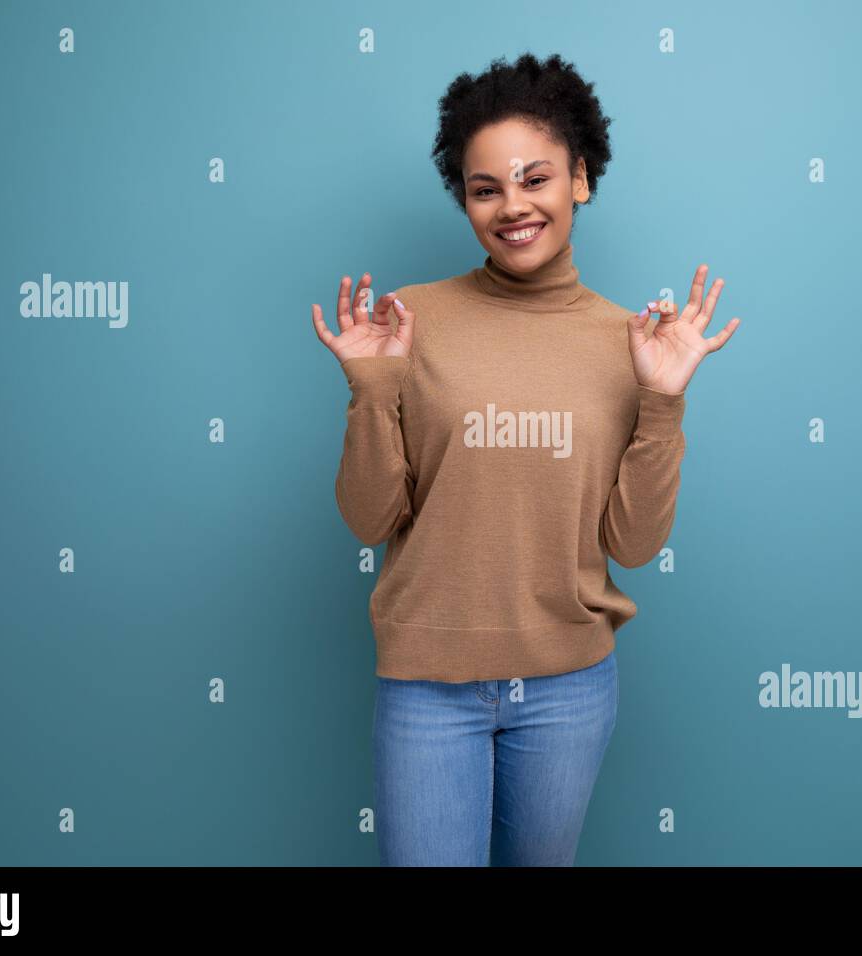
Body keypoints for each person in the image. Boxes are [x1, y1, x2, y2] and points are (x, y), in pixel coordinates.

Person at [311, 52, 740, 866]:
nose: (513, 207)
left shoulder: (630, 341)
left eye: (534, 179)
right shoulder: (411, 320)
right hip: (428, 684)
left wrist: (664, 400)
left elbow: (636, 546)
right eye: (485, 189)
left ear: (579, 178)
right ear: (466, 201)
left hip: (567, 687)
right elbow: (370, 519)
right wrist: (371, 389)